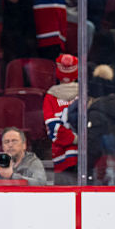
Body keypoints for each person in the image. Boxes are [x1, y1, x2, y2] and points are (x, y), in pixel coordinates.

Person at [44, 54, 80, 185]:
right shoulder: (86, 93)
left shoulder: (50, 96)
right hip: (77, 155)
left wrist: (72, 138)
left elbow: (53, 128)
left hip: (63, 156)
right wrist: (79, 139)